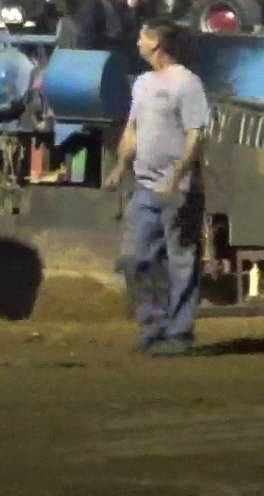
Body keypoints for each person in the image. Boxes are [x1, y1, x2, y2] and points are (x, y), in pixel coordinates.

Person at [104, 19, 209, 356]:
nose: (136, 41)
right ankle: (153, 325)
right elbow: (132, 128)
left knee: (181, 261)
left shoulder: (188, 84)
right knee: (135, 259)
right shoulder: (143, 83)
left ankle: (178, 335)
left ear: (157, 44)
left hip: (180, 190)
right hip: (146, 186)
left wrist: (176, 178)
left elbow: (196, 135)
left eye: (142, 36)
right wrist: (120, 166)